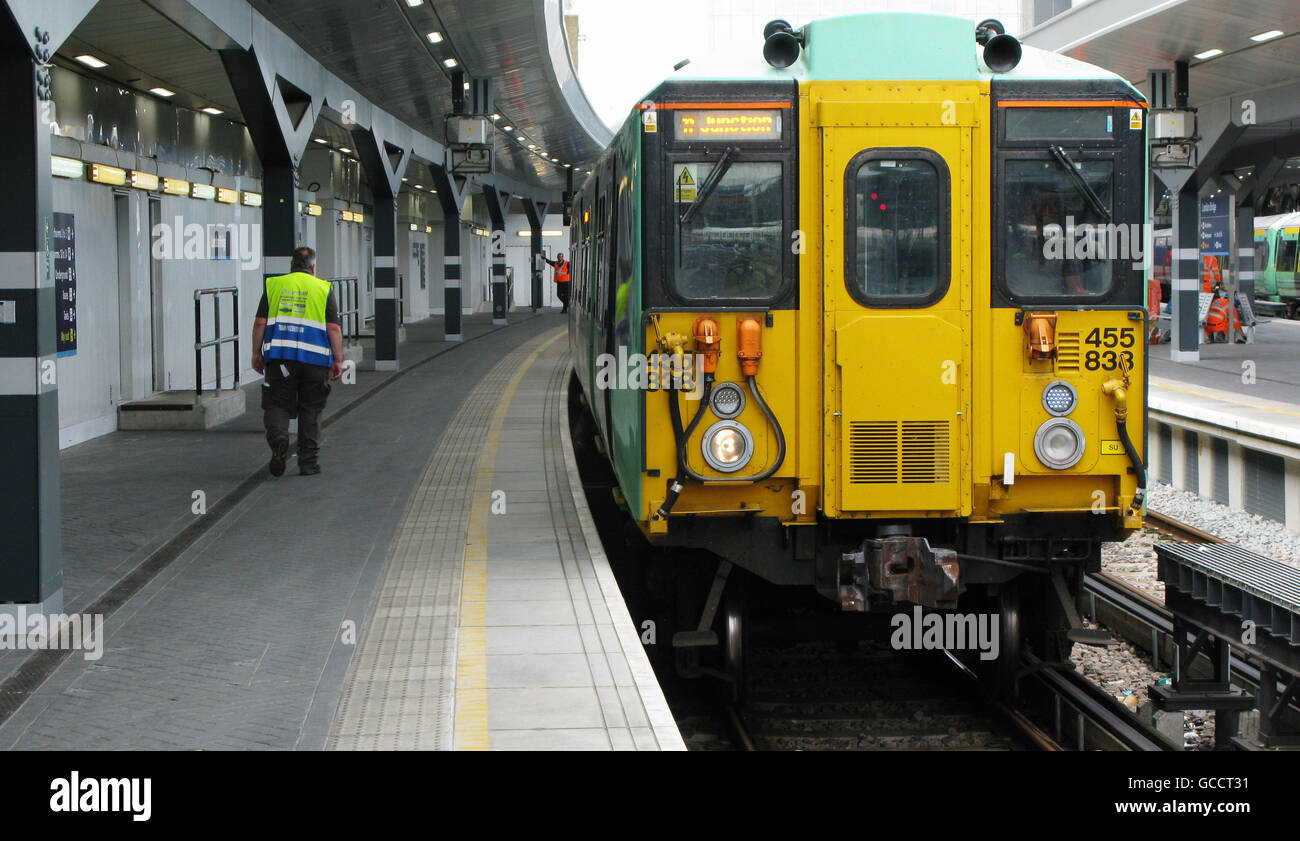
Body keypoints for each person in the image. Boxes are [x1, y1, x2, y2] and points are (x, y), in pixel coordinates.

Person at [250, 247, 343, 477]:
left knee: (277, 405)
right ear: (313, 267)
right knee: (311, 409)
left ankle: (280, 440)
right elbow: (333, 327)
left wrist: (256, 352)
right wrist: (338, 359)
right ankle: (308, 463)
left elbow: (261, 322)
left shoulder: (274, 286)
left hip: (281, 359)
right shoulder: (323, 288)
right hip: (315, 361)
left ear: (291, 266)